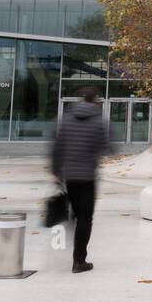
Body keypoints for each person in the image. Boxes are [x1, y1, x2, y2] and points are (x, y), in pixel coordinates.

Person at [50, 86, 113, 273]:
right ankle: (79, 261)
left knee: (77, 215)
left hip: (70, 176)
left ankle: (72, 221)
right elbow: (107, 146)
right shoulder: (99, 121)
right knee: (86, 219)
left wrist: (55, 171)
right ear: (95, 101)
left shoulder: (67, 120)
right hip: (87, 176)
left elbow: (57, 147)